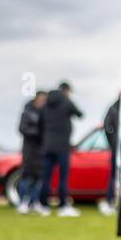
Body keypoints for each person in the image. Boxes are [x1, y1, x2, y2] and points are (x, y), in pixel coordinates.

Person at [39, 81, 83, 217]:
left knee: (45, 177)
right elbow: (80, 114)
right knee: (62, 178)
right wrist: (69, 101)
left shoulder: (46, 104)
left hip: (47, 146)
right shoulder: (66, 102)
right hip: (62, 147)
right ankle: (62, 206)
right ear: (66, 91)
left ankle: (43, 205)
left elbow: (40, 123)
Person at [16, 91, 49, 215]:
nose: (43, 102)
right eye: (42, 99)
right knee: (27, 178)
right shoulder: (27, 112)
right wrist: (38, 132)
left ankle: (35, 203)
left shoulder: (45, 114)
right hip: (29, 151)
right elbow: (22, 129)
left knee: (38, 179)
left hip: (41, 151)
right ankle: (23, 202)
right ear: (36, 99)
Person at [99, 92, 121, 215]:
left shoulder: (117, 108)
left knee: (118, 176)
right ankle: (109, 202)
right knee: (114, 176)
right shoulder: (114, 109)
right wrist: (113, 143)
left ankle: (118, 202)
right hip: (117, 149)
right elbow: (107, 126)